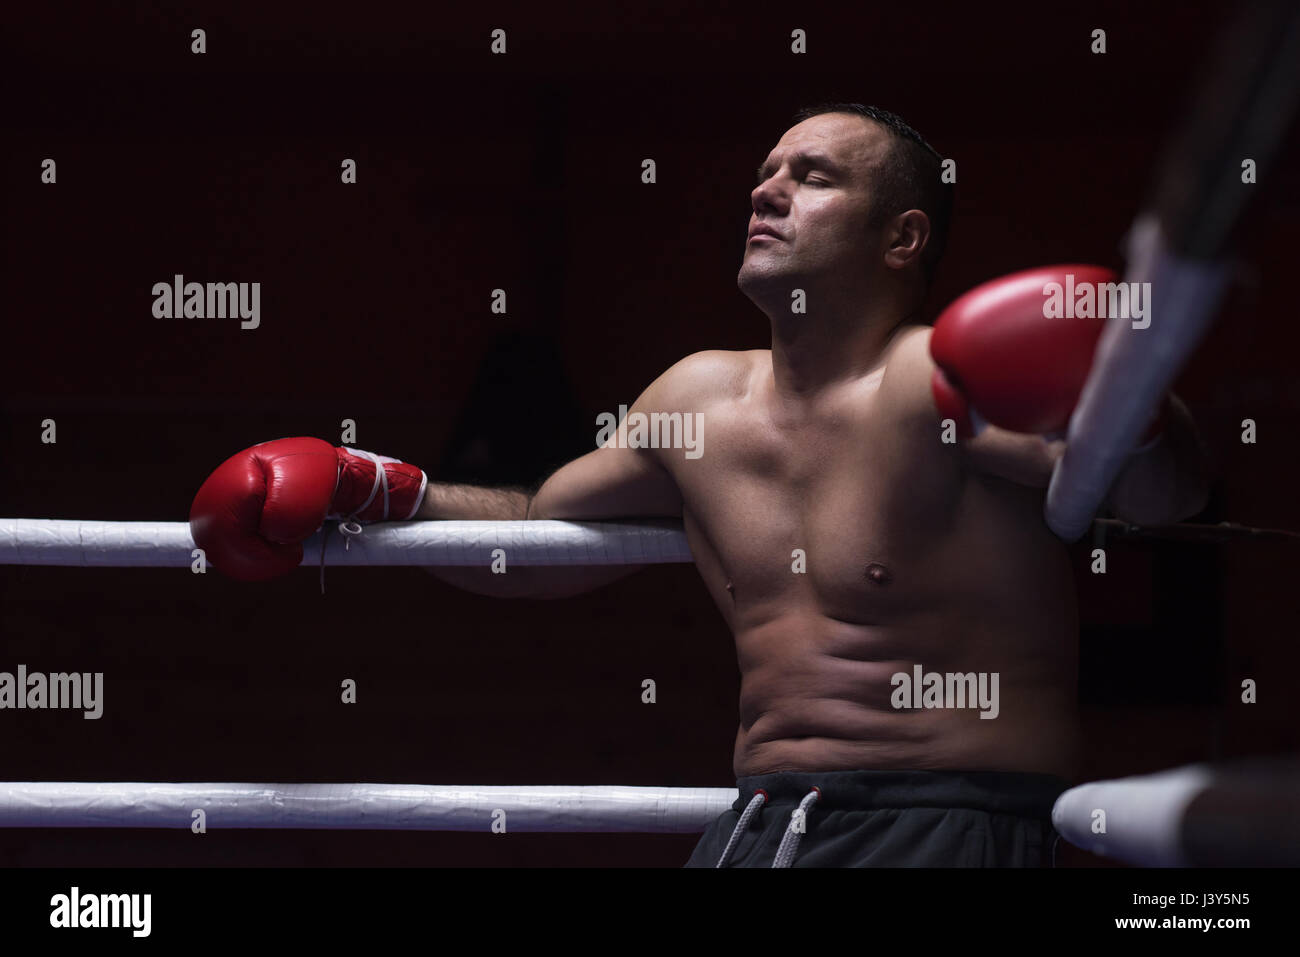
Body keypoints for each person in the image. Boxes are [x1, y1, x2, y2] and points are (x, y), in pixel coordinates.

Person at [191, 103, 1210, 866]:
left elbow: (1161, 500)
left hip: (951, 818)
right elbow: (536, 537)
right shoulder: (699, 400)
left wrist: (1131, 405)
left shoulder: (937, 380)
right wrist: (380, 491)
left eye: (812, 178)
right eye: (765, 174)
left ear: (901, 237)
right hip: (767, 816)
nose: (766, 192)